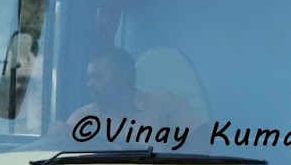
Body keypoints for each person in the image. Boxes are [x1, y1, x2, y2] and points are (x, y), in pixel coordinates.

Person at [63, 47, 198, 130]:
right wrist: (57, 137)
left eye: (97, 77)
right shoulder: (82, 118)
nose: (89, 84)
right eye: (89, 78)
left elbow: (200, 136)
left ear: (123, 77)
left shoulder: (164, 104)